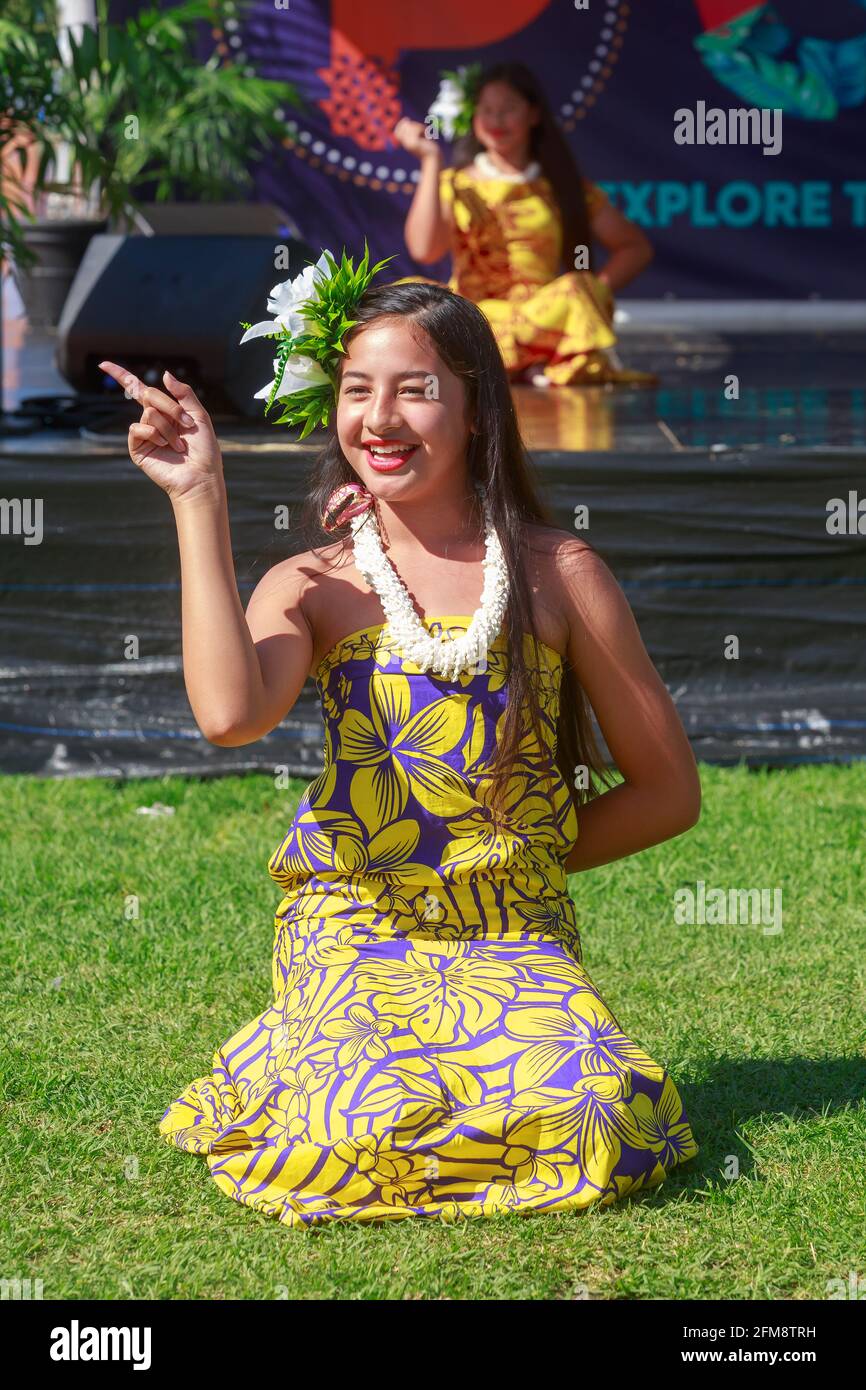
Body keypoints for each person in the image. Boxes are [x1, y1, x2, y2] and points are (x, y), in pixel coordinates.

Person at [99, 272, 699, 1230]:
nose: (378, 418)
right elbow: (229, 716)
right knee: (365, 1123)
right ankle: (308, 1053)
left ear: (475, 410)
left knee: (598, 1111)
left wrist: (506, 860)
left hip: (513, 932)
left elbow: (668, 793)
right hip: (355, 926)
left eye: (414, 389)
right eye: (355, 389)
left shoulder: (558, 574)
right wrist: (198, 499)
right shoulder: (314, 582)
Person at [393, 62, 656, 387]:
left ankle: (521, 360)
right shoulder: (455, 184)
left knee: (578, 287)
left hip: (540, 317)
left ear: (533, 115)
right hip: (473, 318)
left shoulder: (562, 186)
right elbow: (423, 249)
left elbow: (635, 248)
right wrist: (430, 160)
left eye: (508, 109)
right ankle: (529, 365)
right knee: (407, 293)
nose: (496, 120)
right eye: (487, 110)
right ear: (472, 118)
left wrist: (594, 293)